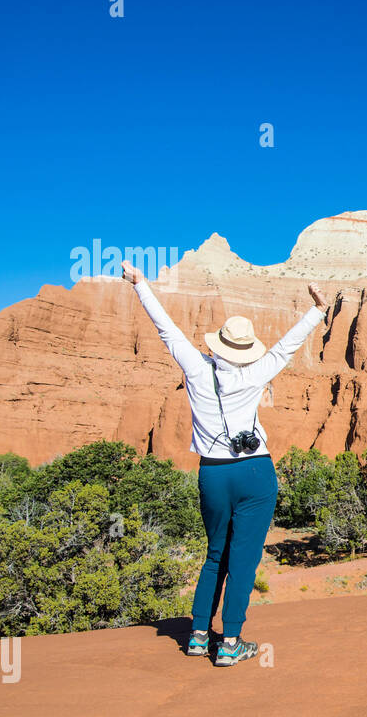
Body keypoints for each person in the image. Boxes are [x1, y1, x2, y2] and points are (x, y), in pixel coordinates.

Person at [121, 260, 329, 666]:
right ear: (246, 348)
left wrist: (140, 284)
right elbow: (288, 345)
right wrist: (317, 311)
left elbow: (167, 330)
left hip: (213, 474)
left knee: (216, 553)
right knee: (243, 561)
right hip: (255, 472)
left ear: (217, 345)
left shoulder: (197, 370)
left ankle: (199, 636)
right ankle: (230, 643)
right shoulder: (257, 372)